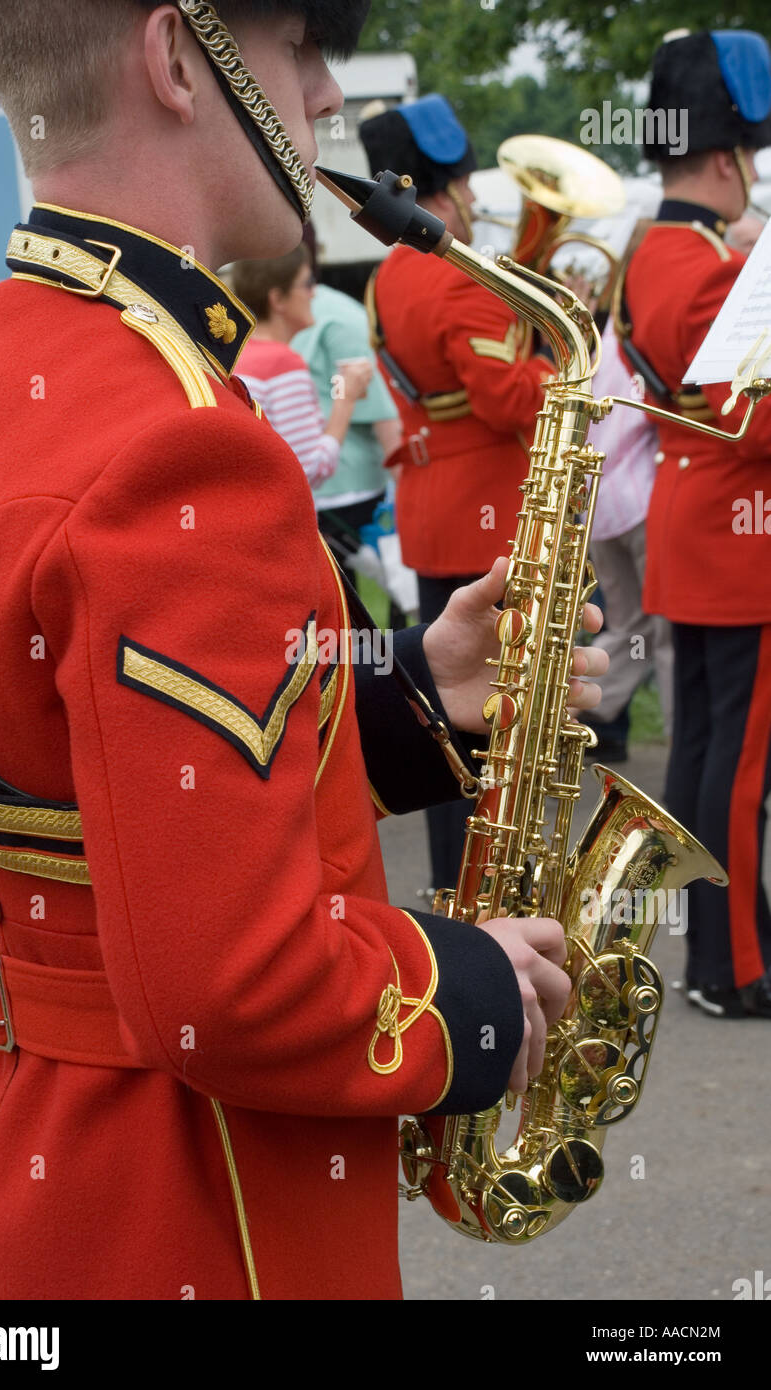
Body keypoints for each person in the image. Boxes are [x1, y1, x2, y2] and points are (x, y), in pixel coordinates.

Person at [0, 0, 605, 1301]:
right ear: (183, 57)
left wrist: (400, 698)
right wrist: (475, 987)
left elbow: (69, 768)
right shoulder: (183, 437)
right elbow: (230, 984)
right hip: (198, 1214)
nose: (326, 98)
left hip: (9, 1162)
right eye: (300, 48)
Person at [359, 94, 556, 890]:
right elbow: (508, 400)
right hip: (489, 517)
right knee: (495, 722)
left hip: (431, 508)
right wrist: (566, 368)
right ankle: (490, 899)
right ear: (445, 186)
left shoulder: (385, 280)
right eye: (469, 186)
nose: (476, 202)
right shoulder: (458, 278)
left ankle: (455, 892)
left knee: (440, 718)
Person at [617, 28, 771, 1019]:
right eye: (750, 159)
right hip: (736, 532)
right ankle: (733, 965)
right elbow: (749, 414)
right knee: (737, 758)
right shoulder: (708, 267)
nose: (751, 175)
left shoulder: (655, 251)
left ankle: (712, 953)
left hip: (698, 519)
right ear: (722, 158)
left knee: (701, 748)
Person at [585, 314, 674, 748]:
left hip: (600, 506)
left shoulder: (605, 338)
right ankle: (686, 742)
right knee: (670, 634)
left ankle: (556, 705)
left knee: (631, 629)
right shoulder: (649, 330)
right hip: (642, 501)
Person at [291, 240, 402, 583]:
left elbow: (382, 414)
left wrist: (409, 508)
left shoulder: (337, 318)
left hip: (344, 494)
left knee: (351, 624)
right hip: (303, 493)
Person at [232, 244, 372, 489]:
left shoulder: (239, 354)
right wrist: (346, 397)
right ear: (277, 299)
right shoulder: (282, 363)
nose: (314, 294)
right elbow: (309, 469)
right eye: (307, 283)